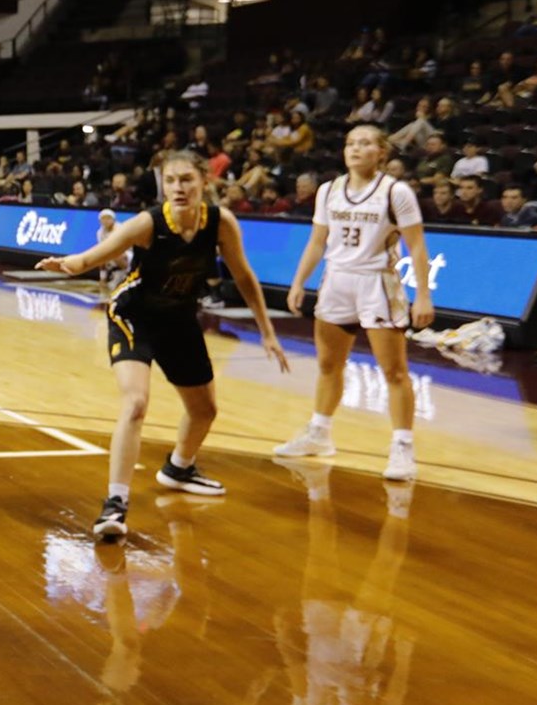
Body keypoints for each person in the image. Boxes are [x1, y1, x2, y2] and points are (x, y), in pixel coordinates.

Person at [36, 150, 288, 538]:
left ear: (204, 181)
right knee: (136, 402)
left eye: (186, 179)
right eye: (170, 180)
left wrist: (267, 331)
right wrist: (66, 263)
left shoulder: (220, 223)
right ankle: (115, 504)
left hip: (179, 318)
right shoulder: (149, 222)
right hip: (133, 315)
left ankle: (179, 468)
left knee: (204, 411)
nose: (178, 187)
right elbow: (90, 258)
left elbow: (244, 277)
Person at [272, 126, 435, 481]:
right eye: (350, 143)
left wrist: (423, 294)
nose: (355, 149)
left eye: (365, 143)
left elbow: (417, 245)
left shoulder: (396, 192)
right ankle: (319, 433)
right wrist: (299, 281)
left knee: (394, 371)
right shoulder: (329, 190)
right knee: (329, 364)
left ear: (382, 152)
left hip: (377, 281)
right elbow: (318, 241)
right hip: (336, 280)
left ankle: (403, 447)